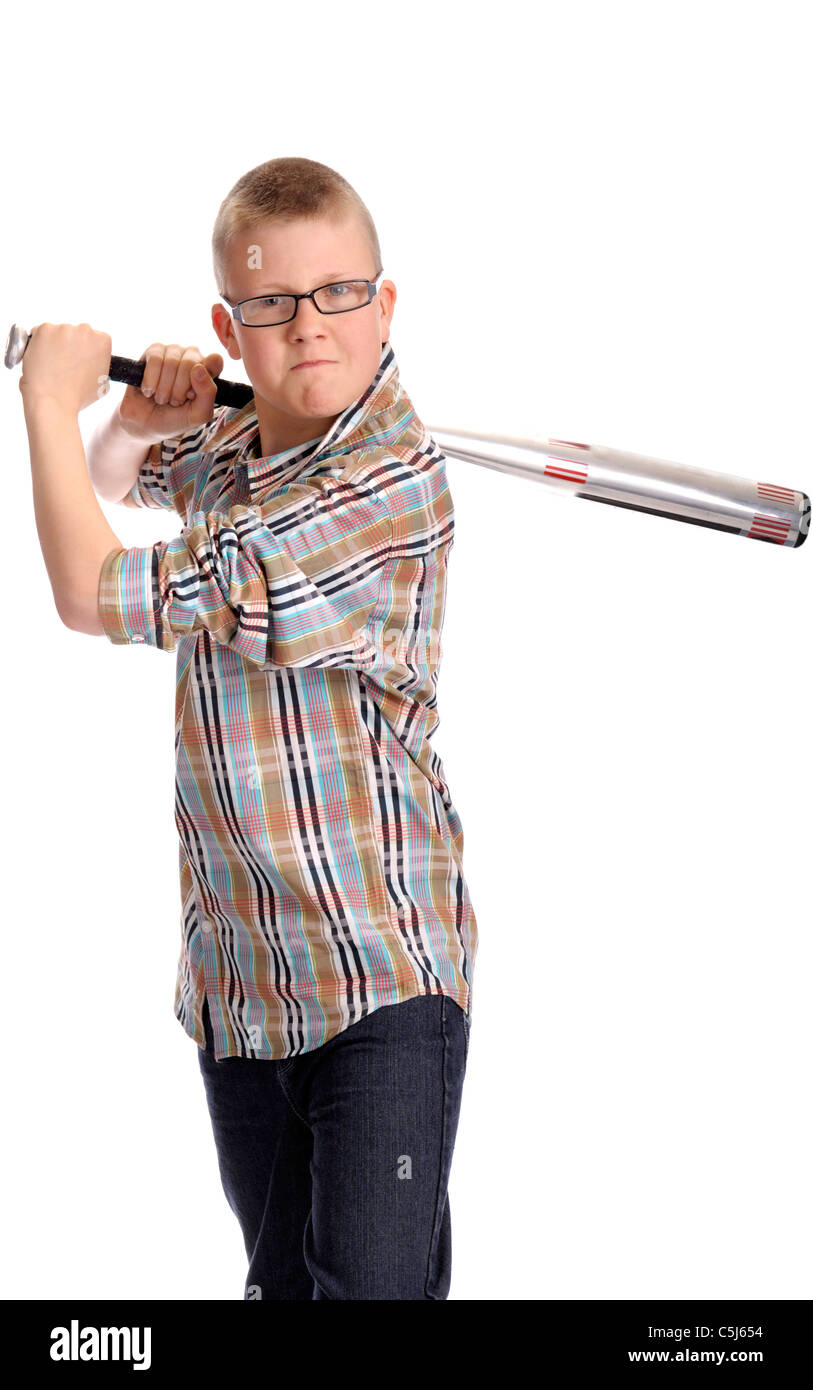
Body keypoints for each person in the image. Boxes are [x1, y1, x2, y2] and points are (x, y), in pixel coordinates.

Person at [19, 157, 479, 1300]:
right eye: (272, 306)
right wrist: (125, 416)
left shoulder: (386, 489)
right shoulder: (240, 456)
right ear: (232, 323)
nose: (309, 329)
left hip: (377, 982)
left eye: (336, 296)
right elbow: (117, 484)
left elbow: (91, 591)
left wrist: (42, 395)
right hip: (243, 979)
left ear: (386, 305)